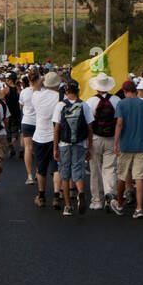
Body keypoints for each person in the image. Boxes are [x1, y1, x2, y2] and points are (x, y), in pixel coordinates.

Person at [53, 79, 93, 216]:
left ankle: (68, 206)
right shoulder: (84, 105)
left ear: (66, 91)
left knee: (65, 173)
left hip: (64, 143)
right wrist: (89, 146)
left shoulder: (60, 105)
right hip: (80, 144)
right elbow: (89, 127)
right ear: (78, 90)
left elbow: (57, 128)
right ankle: (81, 193)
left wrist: (55, 148)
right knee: (78, 169)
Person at [114, 79, 143, 219]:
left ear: (124, 91)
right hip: (140, 145)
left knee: (122, 176)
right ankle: (139, 208)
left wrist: (116, 142)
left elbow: (119, 124)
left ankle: (119, 205)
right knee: (139, 177)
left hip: (125, 145)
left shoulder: (121, 104)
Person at [86, 73, 118, 212]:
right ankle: (110, 194)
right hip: (111, 138)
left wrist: (88, 141)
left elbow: (88, 123)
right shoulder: (117, 100)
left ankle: (97, 200)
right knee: (110, 168)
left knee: (95, 169)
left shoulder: (90, 101)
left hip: (95, 138)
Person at [32, 71, 63, 209]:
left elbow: (35, 86)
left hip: (40, 136)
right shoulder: (60, 98)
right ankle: (57, 196)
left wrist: (41, 79)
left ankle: (41, 195)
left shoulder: (37, 96)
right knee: (56, 167)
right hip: (56, 137)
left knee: (41, 168)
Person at [19, 68, 40, 186]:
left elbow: (20, 107)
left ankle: (29, 176)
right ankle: (38, 172)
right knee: (38, 148)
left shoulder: (24, 92)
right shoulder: (41, 92)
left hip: (26, 121)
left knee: (28, 148)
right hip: (39, 122)